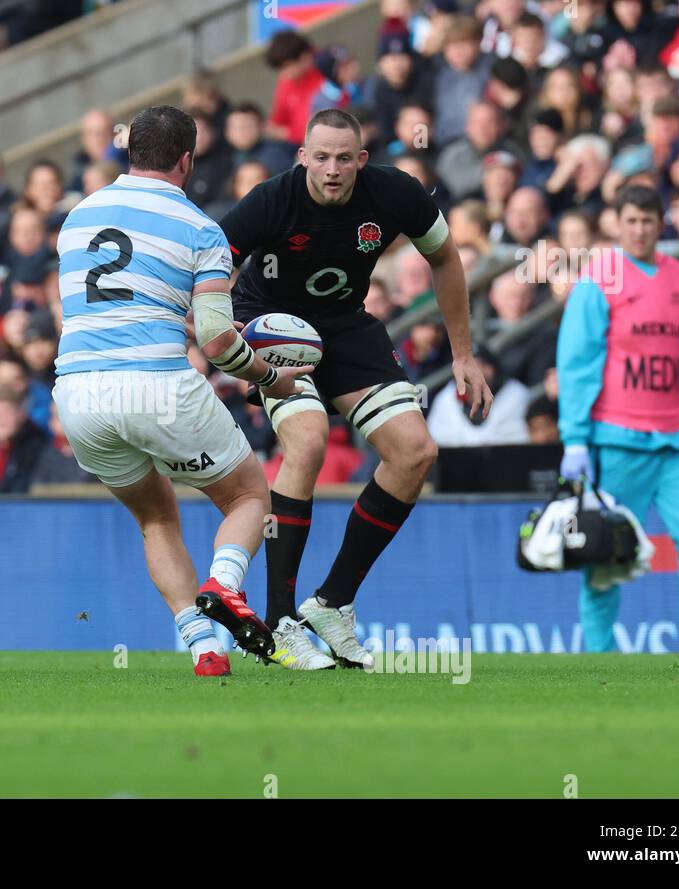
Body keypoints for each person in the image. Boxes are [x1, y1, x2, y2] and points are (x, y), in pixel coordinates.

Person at [219, 108, 493, 669]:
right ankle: (277, 624)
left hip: (345, 324)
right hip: (272, 327)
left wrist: (462, 352)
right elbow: (213, 269)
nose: (332, 169)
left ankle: (333, 602)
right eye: (320, 157)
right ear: (302, 157)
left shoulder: (396, 194)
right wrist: (224, 345)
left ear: (362, 160)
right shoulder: (271, 201)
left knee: (416, 453)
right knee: (309, 440)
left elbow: (444, 257)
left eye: (345, 158)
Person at [52, 105, 312, 676]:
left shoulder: (77, 216)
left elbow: (112, 303)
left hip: (76, 392)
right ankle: (222, 585)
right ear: (188, 159)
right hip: (156, 382)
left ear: (129, 152)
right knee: (248, 498)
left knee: (155, 518)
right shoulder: (200, 228)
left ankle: (201, 643)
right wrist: (271, 377)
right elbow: (219, 342)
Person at [557, 184, 679, 653]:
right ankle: (599, 658)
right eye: (631, 220)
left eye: (648, 220)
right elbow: (577, 364)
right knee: (607, 556)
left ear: (661, 223)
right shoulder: (599, 278)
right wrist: (575, 439)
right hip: (617, 441)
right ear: (617, 224)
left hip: (678, 443)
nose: (640, 229)